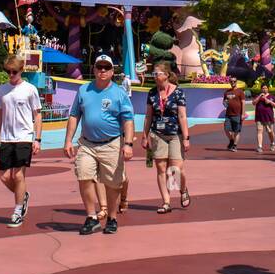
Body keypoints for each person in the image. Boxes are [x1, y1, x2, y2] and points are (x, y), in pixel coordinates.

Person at [64, 54, 135, 235]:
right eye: (99, 67)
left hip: (111, 143)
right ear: (94, 69)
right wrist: (68, 141)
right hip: (87, 144)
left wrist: (128, 144)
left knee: (112, 184)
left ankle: (111, 217)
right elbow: (74, 115)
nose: (102, 71)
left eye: (106, 68)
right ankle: (91, 217)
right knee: (83, 176)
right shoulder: (83, 90)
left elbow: (128, 120)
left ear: (112, 71)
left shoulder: (119, 93)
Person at [0, 56, 44, 228]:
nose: (11, 75)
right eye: (8, 72)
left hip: (24, 137)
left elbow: (37, 115)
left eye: (14, 71)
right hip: (6, 138)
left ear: (21, 70)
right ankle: (23, 196)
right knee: (4, 176)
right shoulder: (1, 90)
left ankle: (17, 210)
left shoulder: (30, 89)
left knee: (18, 175)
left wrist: (37, 139)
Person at [142, 62, 191, 212]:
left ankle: (183, 190)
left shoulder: (178, 93)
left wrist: (186, 138)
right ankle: (166, 202)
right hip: (158, 134)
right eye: (154, 74)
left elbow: (182, 116)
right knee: (161, 169)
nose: (155, 77)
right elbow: (148, 116)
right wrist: (145, 136)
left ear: (166, 75)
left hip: (175, 134)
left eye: (158, 74)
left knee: (176, 169)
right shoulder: (152, 93)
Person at [254, 87, 275, 153]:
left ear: (268, 89)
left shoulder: (272, 96)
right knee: (259, 131)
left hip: (268, 116)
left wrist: (269, 101)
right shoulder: (258, 96)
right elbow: (254, 103)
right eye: (263, 88)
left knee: (270, 131)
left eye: (265, 88)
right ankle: (259, 146)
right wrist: (259, 96)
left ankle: (272, 143)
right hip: (259, 116)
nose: (264, 89)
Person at [222, 82, 245, 151]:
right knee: (226, 129)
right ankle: (231, 140)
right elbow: (224, 103)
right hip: (228, 114)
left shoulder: (240, 91)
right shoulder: (227, 92)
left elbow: (243, 102)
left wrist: (243, 114)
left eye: (234, 81)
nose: (232, 83)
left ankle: (235, 145)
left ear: (236, 82)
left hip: (237, 114)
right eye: (231, 81)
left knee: (236, 131)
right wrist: (225, 103)